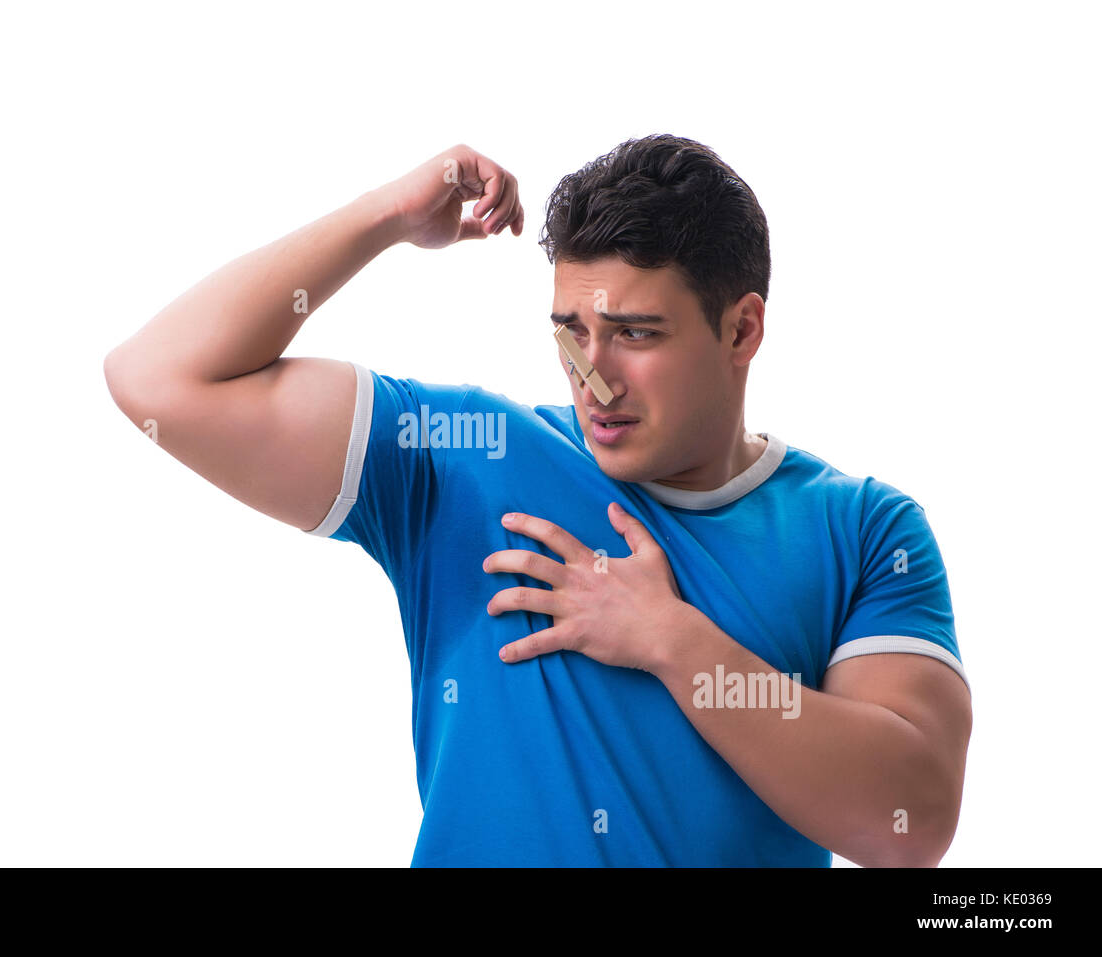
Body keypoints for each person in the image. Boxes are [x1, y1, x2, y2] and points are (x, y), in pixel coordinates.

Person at [103, 136, 973, 867]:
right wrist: (385, 220)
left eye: (636, 333)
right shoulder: (464, 455)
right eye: (572, 331)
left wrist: (672, 642)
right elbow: (157, 380)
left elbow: (910, 820)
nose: (595, 376)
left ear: (741, 329)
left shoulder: (862, 528)